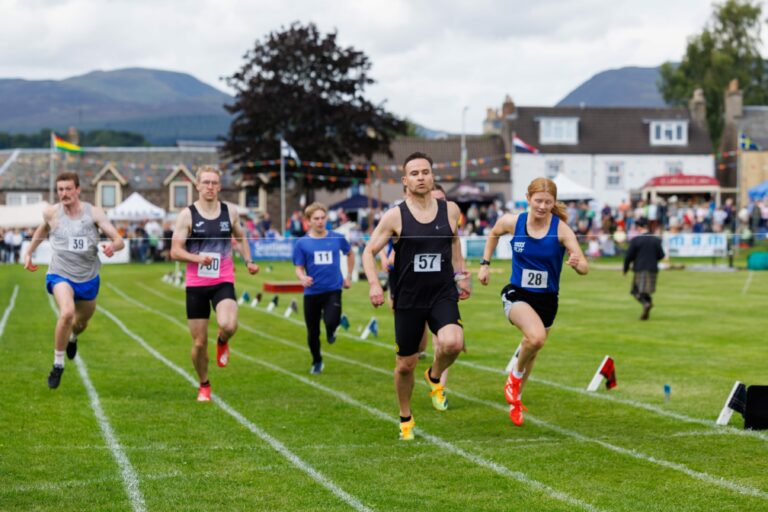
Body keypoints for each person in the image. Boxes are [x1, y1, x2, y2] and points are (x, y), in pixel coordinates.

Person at [362, 151, 471, 441]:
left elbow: (454, 243)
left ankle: (434, 376)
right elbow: (368, 251)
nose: (421, 177)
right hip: (409, 298)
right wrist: (374, 284)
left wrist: (461, 275)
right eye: (414, 173)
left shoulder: (450, 210)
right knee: (405, 365)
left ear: (432, 176)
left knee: (453, 342)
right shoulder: (396, 215)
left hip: (441, 293)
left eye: (425, 172)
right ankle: (405, 417)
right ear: (405, 181)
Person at [478, 177, 588, 427]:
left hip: (547, 299)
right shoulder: (513, 222)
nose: (542, 206)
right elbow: (493, 233)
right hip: (518, 293)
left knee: (532, 351)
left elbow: (584, 266)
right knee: (536, 338)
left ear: (554, 202)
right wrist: (485, 264)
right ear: (528, 198)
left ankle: (515, 400)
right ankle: (514, 378)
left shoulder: (561, 229)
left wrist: (576, 263)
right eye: (538, 201)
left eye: (548, 202)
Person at [24, 171, 125, 389]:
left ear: (78, 190)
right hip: (60, 273)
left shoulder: (94, 213)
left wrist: (112, 247)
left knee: (81, 323)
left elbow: (119, 240)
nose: (64, 193)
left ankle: (73, 337)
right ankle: (58, 365)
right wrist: (29, 252)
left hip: (88, 277)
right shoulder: (51, 213)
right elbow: (42, 229)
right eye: (60, 189)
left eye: (68, 189)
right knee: (67, 313)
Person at [170, 165, 259, 402]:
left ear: (219, 186)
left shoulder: (230, 212)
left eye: (214, 183)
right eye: (206, 182)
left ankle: (222, 340)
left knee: (228, 325)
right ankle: (204, 385)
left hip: (223, 280)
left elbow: (241, 236)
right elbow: (175, 251)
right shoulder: (187, 215)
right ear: (197, 186)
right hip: (196, 285)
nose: (210, 187)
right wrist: (197, 258)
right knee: (199, 343)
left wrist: (248, 260)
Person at [292, 202, 354, 374]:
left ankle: (331, 329)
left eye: (322, 218)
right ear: (308, 221)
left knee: (331, 321)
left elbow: (350, 253)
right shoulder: (302, 243)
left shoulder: (337, 238)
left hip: (333, 289)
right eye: (316, 218)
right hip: (312, 292)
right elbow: (298, 267)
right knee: (313, 332)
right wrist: (302, 277)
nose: (320, 221)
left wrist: (348, 276)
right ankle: (317, 361)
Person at [623, 219, 664, 320]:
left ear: (639, 227)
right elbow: (661, 255)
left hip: (640, 268)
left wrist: (626, 269)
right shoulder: (656, 240)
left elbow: (628, 256)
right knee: (646, 291)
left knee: (636, 291)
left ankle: (646, 303)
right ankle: (648, 305)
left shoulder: (636, 240)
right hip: (653, 268)